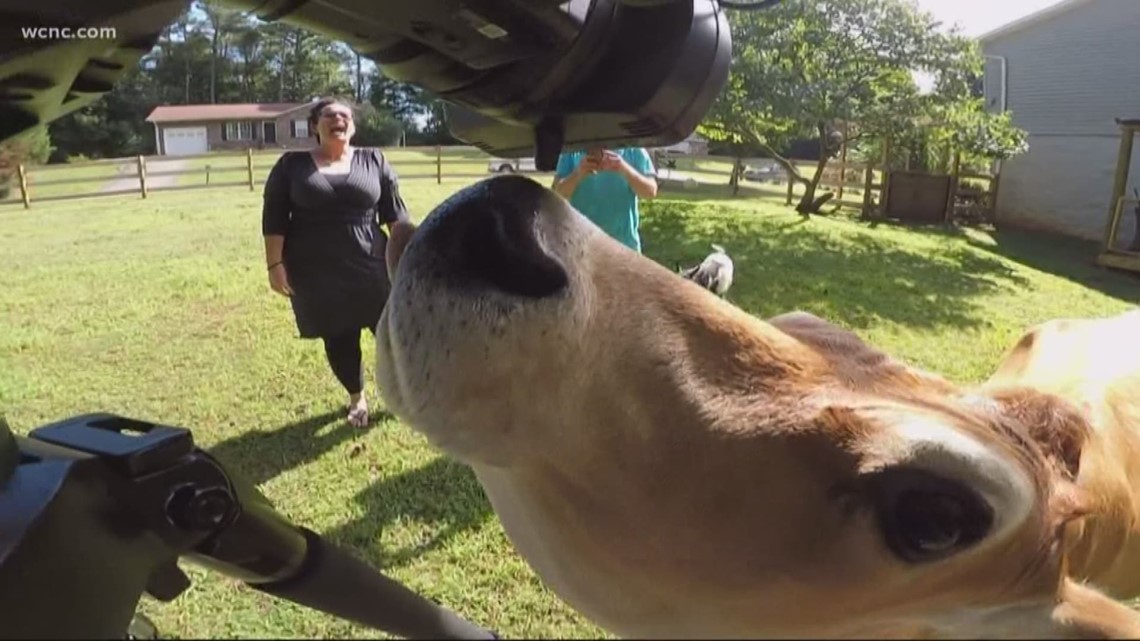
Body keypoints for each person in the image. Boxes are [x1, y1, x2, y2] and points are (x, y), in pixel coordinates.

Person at [261, 97, 410, 427]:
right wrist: (274, 266)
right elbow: (274, 218)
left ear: (353, 126)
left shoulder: (374, 160)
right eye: (329, 115)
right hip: (316, 270)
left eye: (345, 115)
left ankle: (408, 394)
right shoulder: (291, 166)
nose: (338, 119)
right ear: (315, 125)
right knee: (338, 336)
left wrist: (406, 259)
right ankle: (357, 398)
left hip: (372, 265)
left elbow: (396, 215)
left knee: (394, 331)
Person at [552, 146, 658, 252]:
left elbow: (650, 191)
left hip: (624, 247)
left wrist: (624, 169)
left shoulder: (633, 148)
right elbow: (558, 192)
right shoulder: (573, 149)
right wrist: (578, 173)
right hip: (581, 246)